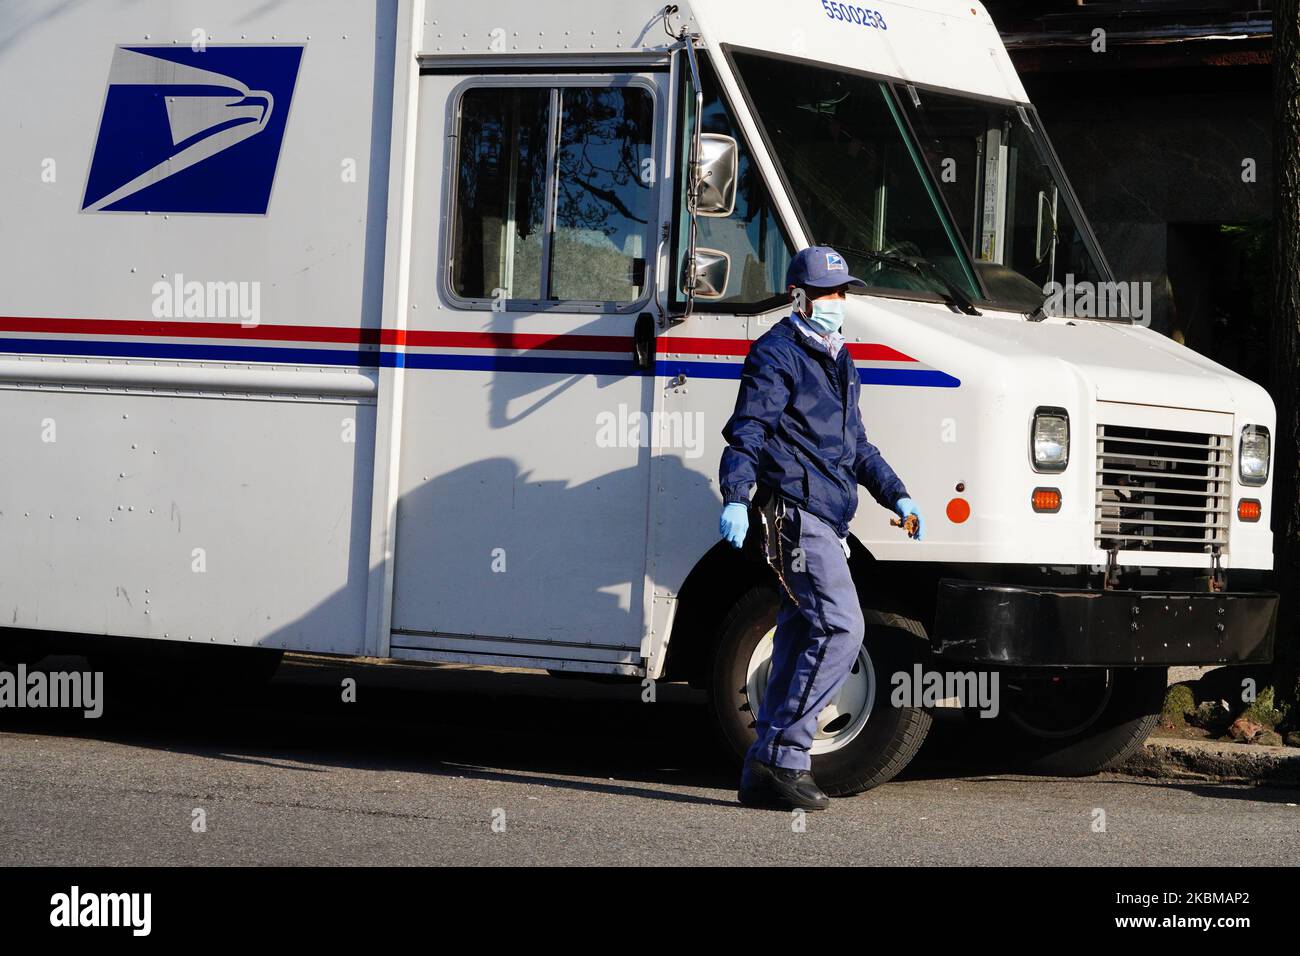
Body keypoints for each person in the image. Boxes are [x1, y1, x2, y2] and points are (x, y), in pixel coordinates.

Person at [718, 245, 923, 811]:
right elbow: (748, 432)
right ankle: (786, 756)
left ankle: (762, 771)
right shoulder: (777, 354)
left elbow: (856, 444)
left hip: (829, 517)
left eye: (843, 292)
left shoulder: (839, 358)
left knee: (802, 632)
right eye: (829, 293)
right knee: (841, 628)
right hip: (793, 514)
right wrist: (737, 496)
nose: (839, 302)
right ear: (799, 298)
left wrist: (896, 494)